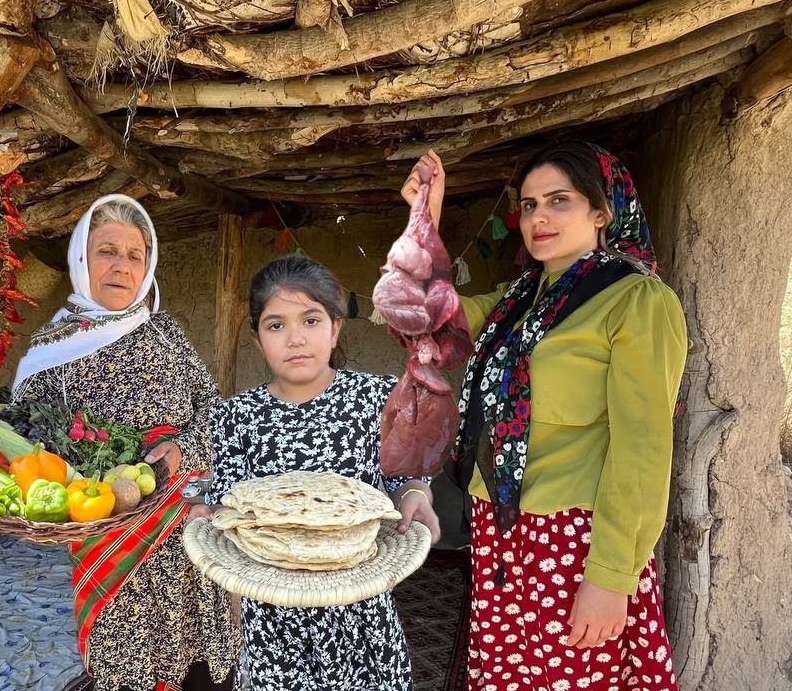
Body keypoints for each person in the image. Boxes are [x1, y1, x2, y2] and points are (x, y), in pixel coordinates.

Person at [402, 144, 686, 691]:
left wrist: (611, 578)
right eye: (529, 206)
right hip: (501, 530)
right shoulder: (518, 302)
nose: (539, 218)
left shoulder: (636, 302)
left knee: (573, 676)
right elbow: (424, 316)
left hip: (573, 543)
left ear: (603, 212)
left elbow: (643, 450)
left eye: (559, 201)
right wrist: (423, 222)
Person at [11, 195, 237, 691]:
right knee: (128, 659)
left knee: (200, 655)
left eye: (135, 255)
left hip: (188, 519)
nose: (122, 266)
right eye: (107, 251)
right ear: (81, 260)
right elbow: (24, 436)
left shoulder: (167, 334)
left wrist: (185, 451)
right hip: (110, 530)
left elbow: (215, 410)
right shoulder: (53, 349)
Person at [193, 255, 442, 691]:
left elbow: (406, 471)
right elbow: (231, 515)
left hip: (361, 606)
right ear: (256, 339)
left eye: (310, 320)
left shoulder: (377, 397)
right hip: (273, 617)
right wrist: (205, 513)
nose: (295, 339)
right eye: (276, 325)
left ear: (336, 328)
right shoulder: (234, 417)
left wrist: (416, 495)